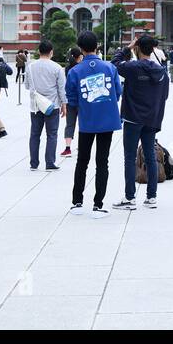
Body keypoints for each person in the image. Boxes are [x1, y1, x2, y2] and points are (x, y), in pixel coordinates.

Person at [65, 32, 123, 217]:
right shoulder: (110, 68)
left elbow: (72, 100)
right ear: (97, 46)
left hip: (87, 121)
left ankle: (77, 202)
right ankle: (98, 204)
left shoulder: (75, 71)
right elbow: (118, 91)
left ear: (80, 48)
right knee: (102, 162)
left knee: (82, 161)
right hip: (107, 120)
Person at [114, 33, 169, 210]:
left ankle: (130, 197)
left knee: (130, 157)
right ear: (153, 49)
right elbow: (165, 95)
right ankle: (151, 197)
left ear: (137, 48)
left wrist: (127, 48)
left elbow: (114, 65)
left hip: (132, 118)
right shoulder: (161, 71)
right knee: (150, 156)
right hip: (151, 119)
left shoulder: (132, 67)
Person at [27, 40, 67, 170]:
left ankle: (34, 163)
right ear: (51, 52)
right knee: (52, 134)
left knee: (34, 134)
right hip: (52, 106)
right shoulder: (57, 68)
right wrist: (64, 105)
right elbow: (61, 89)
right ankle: (50, 162)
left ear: (39, 51)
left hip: (36, 106)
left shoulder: (31, 66)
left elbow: (27, 86)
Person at [61, 46, 83, 157]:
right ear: (80, 56)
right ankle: (81, 146)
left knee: (69, 124)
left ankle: (67, 148)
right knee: (82, 124)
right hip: (82, 101)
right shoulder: (82, 68)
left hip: (70, 100)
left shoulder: (68, 68)